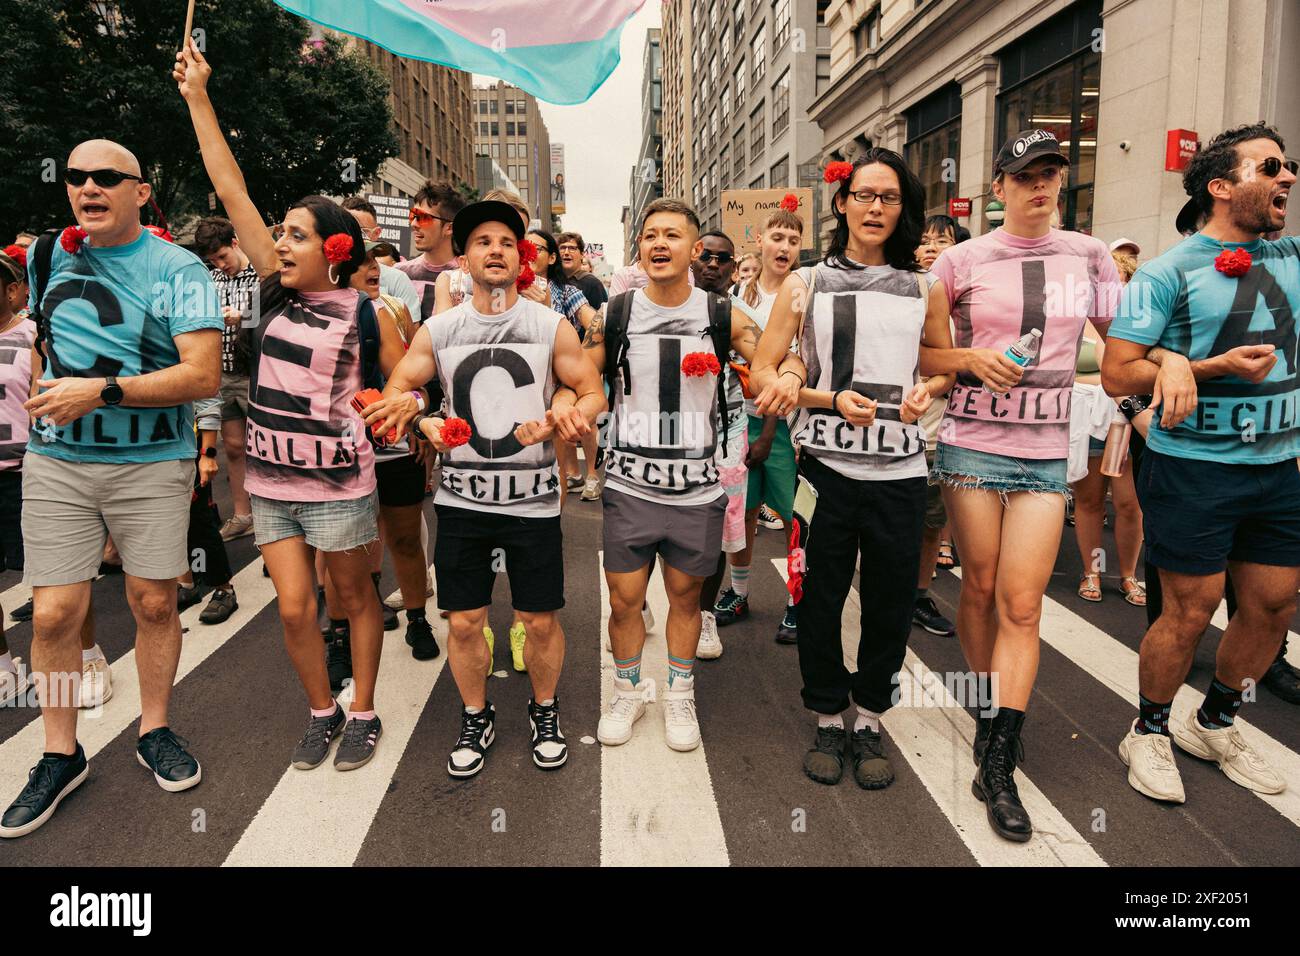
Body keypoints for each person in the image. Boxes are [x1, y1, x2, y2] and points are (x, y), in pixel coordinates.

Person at [175, 38, 393, 773]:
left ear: (334, 248)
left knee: (352, 596)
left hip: (338, 485)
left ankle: (363, 710)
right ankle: (320, 711)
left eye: (296, 234)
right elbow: (231, 188)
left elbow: (408, 383)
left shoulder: (367, 314)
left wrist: (405, 406)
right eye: (280, 232)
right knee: (295, 608)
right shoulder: (271, 286)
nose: (279, 240)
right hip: (269, 486)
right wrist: (200, 97)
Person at [0, 137, 222, 840]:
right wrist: (48, 388)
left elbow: (204, 376)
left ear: (140, 190)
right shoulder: (45, 256)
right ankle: (60, 754)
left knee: (153, 601)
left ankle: (154, 728)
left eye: (105, 177)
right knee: (55, 615)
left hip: (154, 461)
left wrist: (103, 391)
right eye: (75, 177)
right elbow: (45, 341)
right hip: (57, 462)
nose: (87, 187)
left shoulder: (178, 268)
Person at [921, 129, 1122, 842]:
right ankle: (988, 704)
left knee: (1022, 602)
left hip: (1043, 452)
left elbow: (1122, 343)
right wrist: (971, 356)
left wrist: (1175, 367)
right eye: (1026, 175)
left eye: (1051, 174)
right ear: (999, 186)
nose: (1041, 186)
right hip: (972, 443)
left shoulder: (1090, 254)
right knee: (977, 588)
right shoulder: (959, 260)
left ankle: (999, 753)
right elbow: (927, 352)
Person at [362, 199, 605, 776]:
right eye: (482, 242)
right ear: (464, 257)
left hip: (534, 502)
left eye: (505, 241)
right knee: (466, 621)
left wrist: (567, 415)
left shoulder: (549, 325)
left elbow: (590, 388)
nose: (494, 250)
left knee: (539, 620)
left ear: (521, 256)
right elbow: (401, 388)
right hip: (463, 502)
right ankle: (477, 714)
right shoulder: (440, 328)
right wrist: (422, 421)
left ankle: (544, 710)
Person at [1102, 123, 1300, 804]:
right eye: (1271, 167)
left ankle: (1215, 721)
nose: (1288, 178)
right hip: (1195, 467)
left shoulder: (1294, 255)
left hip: (1278, 469)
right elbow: (1115, 372)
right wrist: (1189, 361)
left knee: (1272, 604)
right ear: (1221, 186)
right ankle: (1149, 731)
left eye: (1290, 165)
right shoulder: (1166, 271)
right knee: (1191, 610)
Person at [750, 152, 954, 790]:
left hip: (899, 472)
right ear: (841, 203)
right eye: (864, 195)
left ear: (903, 209)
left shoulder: (925, 287)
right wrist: (819, 396)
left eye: (889, 198)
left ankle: (869, 716)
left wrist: (930, 388)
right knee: (818, 596)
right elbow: (763, 368)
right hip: (825, 472)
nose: (875, 208)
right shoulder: (807, 282)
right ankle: (826, 715)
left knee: (892, 602)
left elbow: (943, 364)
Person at [584, 198, 795, 752]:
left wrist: (789, 374)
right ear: (640, 248)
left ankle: (679, 694)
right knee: (625, 601)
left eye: (672, 235)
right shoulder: (617, 313)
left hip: (697, 488)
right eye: (650, 235)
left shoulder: (721, 315)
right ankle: (628, 688)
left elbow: (774, 355)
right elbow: (580, 377)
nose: (659, 243)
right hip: (629, 486)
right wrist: (568, 405)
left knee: (685, 598)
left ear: (693, 249)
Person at [714, 208, 803, 646]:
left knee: (794, 518)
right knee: (742, 512)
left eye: (792, 239)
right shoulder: (737, 295)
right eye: (777, 237)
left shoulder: (802, 294)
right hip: (737, 422)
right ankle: (740, 592)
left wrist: (769, 431)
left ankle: (797, 601)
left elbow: (788, 363)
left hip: (786, 424)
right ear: (760, 241)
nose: (784, 246)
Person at [1069, 249, 1145, 607]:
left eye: (1117, 278)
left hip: (1128, 416)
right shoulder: (1078, 318)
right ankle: (1093, 570)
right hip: (1087, 418)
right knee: (1090, 501)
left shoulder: (1137, 321)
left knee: (1129, 504)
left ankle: (1129, 575)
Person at [687, 229, 743, 661]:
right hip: (668, 437)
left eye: (721, 258)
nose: (712, 263)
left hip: (725, 440)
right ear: (692, 258)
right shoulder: (664, 306)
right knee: (657, 523)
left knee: (716, 531)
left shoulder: (739, 316)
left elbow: (771, 361)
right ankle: (639, 606)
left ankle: (705, 614)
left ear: (733, 267)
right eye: (704, 255)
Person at [193, 216, 258, 542]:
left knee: (264, 448)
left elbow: (272, 313)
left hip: (254, 375)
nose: (220, 264)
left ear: (235, 242)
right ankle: (242, 514)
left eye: (222, 256)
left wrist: (242, 316)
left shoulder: (259, 272)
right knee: (233, 446)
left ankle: (270, 517)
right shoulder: (210, 278)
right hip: (222, 374)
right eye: (213, 260)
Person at [526, 228, 602, 503]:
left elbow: (595, 322)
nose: (530, 253)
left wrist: (585, 356)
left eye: (538, 249)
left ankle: (591, 474)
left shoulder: (566, 291)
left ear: (551, 259)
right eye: (525, 247)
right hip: (527, 382)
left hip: (564, 377)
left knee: (583, 423)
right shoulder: (506, 290)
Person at [911, 215, 959, 636]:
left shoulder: (962, 302)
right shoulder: (904, 289)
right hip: (887, 428)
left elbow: (962, 361)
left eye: (940, 241)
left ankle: (919, 595)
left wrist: (940, 380)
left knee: (930, 520)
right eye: (924, 242)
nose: (931, 249)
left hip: (939, 429)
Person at [341, 196, 422, 323]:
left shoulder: (397, 282)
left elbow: (411, 336)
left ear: (377, 233)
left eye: (361, 232)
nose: (353, 237)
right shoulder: (323, 282)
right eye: (346, 229)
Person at [395, 181, 468, 322]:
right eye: (413, 216)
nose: (414, 224)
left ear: (449, 228)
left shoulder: (468, 277)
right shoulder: (399, 274)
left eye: (423, 218)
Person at [557, 231, 608, 310]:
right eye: (562, 248)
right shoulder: (552, 281)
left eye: (572, 248)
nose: (566, 252)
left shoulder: (593, 284)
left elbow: (602, 317)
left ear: (582, 254)